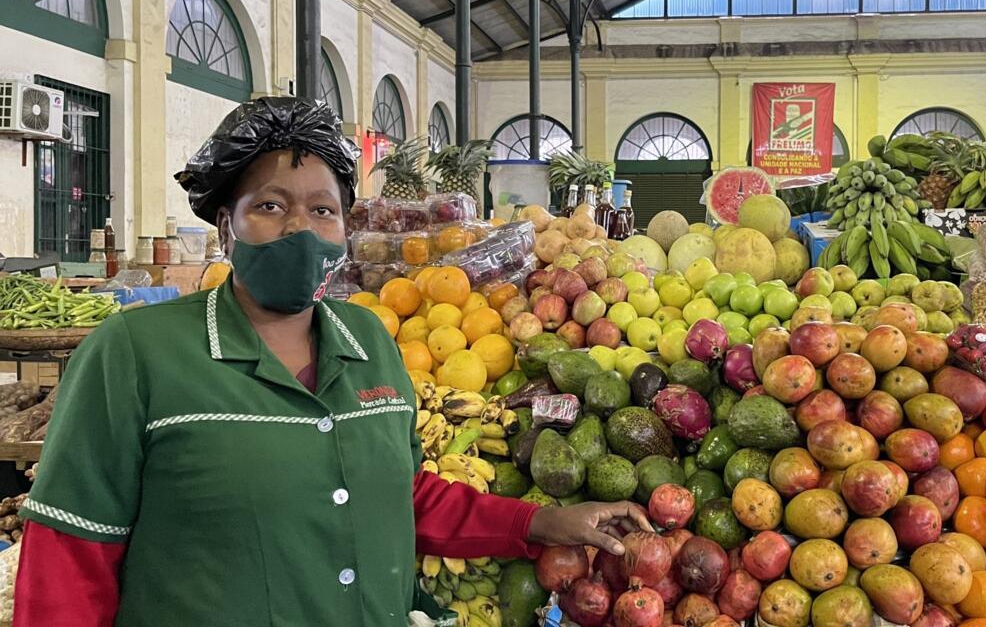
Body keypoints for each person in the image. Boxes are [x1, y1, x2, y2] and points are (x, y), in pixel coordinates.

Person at [15, 97, 650, 627]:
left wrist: (544, 521)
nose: (300, 227)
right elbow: (70, 559)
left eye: (323, 209)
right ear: (224, 225)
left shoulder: (369, 339)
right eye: (269, 205)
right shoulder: (133, 354)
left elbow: (399, 496)